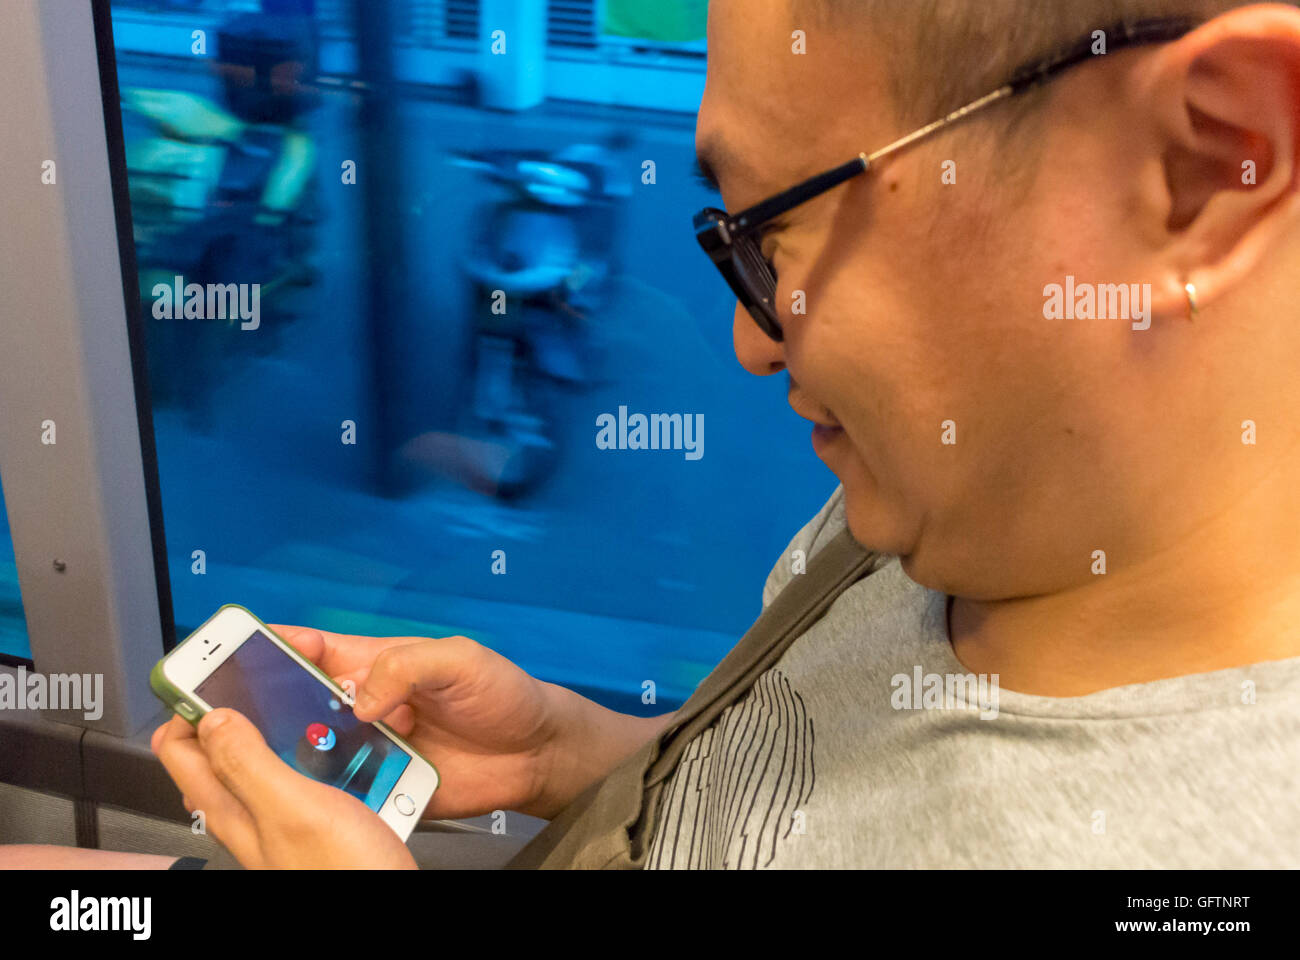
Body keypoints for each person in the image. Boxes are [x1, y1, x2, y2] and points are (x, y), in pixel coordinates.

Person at [35, 0, 1300, 869]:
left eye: (774, 226)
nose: (751, 341)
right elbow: (789, 784)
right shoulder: (970, 501)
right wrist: (570, 751)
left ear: (1208, 165)